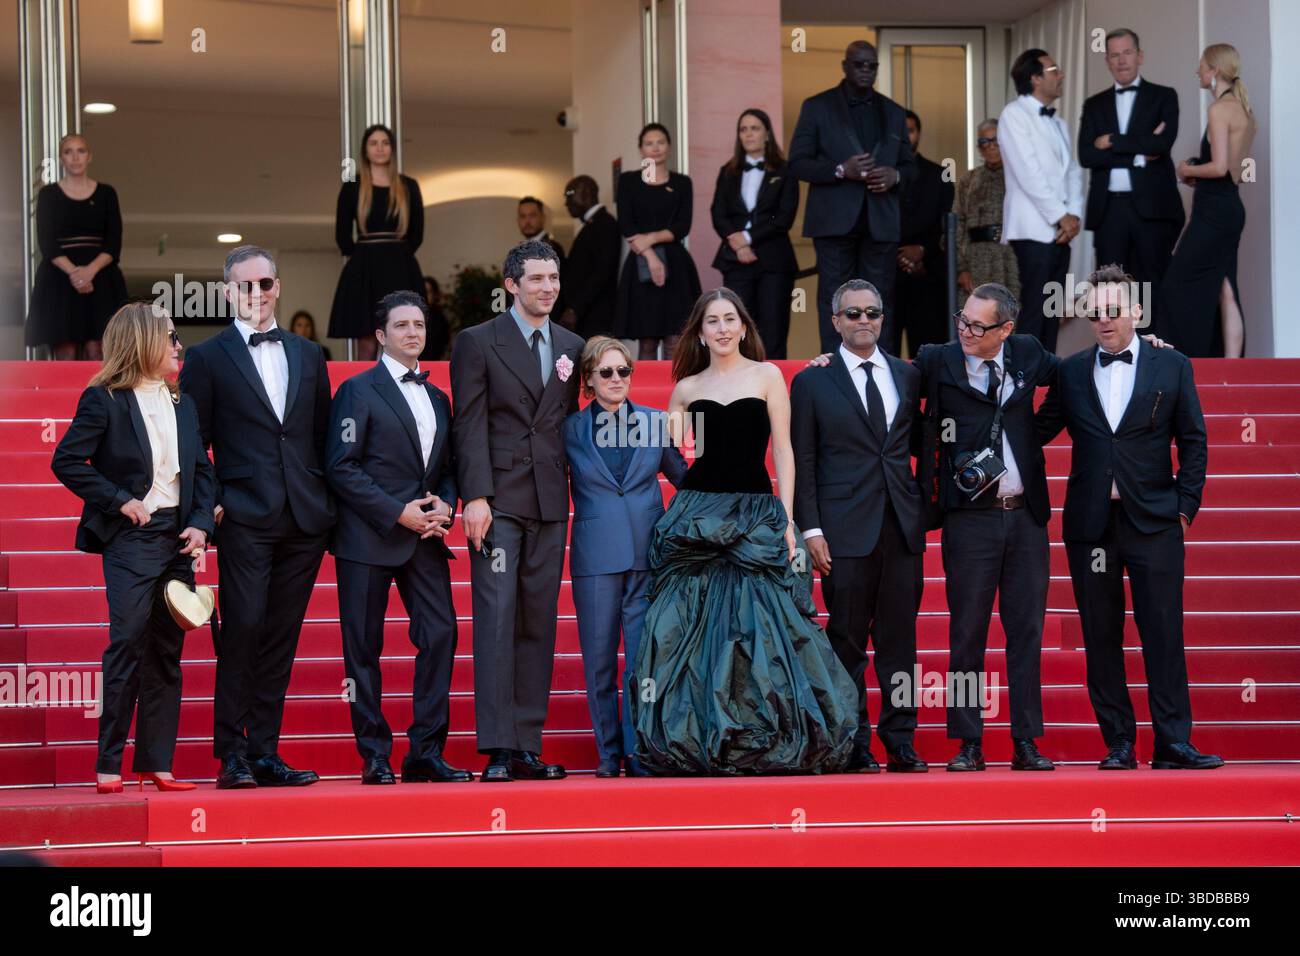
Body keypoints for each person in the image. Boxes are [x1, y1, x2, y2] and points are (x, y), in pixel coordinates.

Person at [629, 288, 859, 775]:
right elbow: (665, 448)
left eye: (729, 318)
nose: (722, 328)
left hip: (755, 512)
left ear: (743, 325)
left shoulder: (768, 375)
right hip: (697, 512)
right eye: (711, 321)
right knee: (690, 631)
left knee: (762, 631)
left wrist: (789, 517)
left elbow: (784, 452)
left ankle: (762, 731)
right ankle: (702, 733)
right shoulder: (686, 387)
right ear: (700, 331)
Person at [1035, 265, 1221, 769]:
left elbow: (1195, 440)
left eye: (1114, 311)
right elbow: (1035, 431)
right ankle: (1119, 741)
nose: (1104, 320)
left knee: (1163, 631)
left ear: (1137, 312)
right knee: (1100, 634)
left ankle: (1173, 742)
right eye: (1096, 312)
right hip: (1092, 528)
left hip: (1155, 522)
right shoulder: (1071, 371)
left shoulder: (1171, 365)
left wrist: (1184, 509)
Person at [179, 244, 335, 789]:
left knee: (281, 635)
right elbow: (193, 443)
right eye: (246, 285)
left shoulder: (310, 354)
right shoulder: (206, 357)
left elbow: (319, 437)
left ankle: (266, 752)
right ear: (228, 292)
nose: (257, 293)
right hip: (244, 514)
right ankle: (233, 754)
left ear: (277, 287)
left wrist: (326, 507)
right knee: (243, 629)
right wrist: (212, 500)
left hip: (304, 518)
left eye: (265, 283)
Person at [51, 302, 214, 793]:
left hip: (178, 538)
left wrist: (202, 526)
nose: (178, 346)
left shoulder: (183, 402)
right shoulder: (103, 398)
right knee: (127, 643)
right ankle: (108, 764)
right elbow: (67, 461)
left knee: (168, 650)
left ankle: (156, 762)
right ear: (143, 342)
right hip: (132, 539)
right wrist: (120, 501)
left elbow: (203, 473)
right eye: (170, 338)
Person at [450, 239, 585, 782]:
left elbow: (575, 419)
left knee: (539, 624)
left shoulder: (573, 344)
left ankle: (528, 744)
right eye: (535, 279)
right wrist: (475, 497)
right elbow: (469, 423)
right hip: (499, 502)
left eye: (553, 278)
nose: (547, 288)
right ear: (511, 285)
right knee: (497, 621)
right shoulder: (478, 341)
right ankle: (499, 748)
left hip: (552, 503)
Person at [325, 291, 473, 785]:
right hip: (367, 539)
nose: (413, 332)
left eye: (419, 324)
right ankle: (374, 754)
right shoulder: (356, 391)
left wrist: (446, 504)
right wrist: (397, 513)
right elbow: (340, 467)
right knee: (362, 649)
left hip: (426, 538)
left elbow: (447, 468)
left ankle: (425, 751)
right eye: (402, 325)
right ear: (381, 336)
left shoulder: (438, 398)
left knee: (441, 635)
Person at [914, 283, 1058, 772]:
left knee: (1027, 632)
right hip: (969, 518)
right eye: (963, 319)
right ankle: (968, 742)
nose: (966, 331)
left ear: (1006, 329)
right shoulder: (937, 361)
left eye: (978, 325)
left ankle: (1026, 741)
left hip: (1025, 517)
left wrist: (1033, 436)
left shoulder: (1028, 353)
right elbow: (893, 388)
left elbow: (1075, 380)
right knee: (967, 633)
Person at [790, 280, 928, 773]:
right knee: (846, 641)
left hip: (901, 529)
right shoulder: (811, 382)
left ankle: (901, 740)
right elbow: (804, 461)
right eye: (852, 314)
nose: (863, 320)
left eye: (872, 312)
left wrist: (924, 509)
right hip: (842, 533)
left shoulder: (909, 376)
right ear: (835, 322)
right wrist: (811, 531)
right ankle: (852, 742)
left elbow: (925, 448)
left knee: (900, 644)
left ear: (883, 317)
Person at [563, 337, 687, 778]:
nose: (618, 380)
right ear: (589, 381)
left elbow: (685, 479)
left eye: (624, 371)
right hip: (595, 558)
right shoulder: (570, 430)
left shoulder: (655, 423)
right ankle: (606, 753)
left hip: (646, 557)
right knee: (598, 661)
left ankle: (638, 753)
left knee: (642, 663)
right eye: (607, 373)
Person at [788, 40, 915, 356]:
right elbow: (797, 163)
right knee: (835, 297)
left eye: (872, 65)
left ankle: (882, 368)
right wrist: (840, 170)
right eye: (859, 64)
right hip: (834, 221)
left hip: (880, 221)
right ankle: (834, 371)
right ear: (845, 66)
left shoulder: (894, 111)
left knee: (879, 298)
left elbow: (911, 168)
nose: (866, 70)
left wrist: (895, 176)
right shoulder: (817, 106)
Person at [1078, 29, 1183, 323]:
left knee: (1153, 284)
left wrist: (1111, 140)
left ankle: (1157, 356)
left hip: (1152, 208)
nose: (1121, 60)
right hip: (1109, 209)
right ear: (1107, 61)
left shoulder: (1164, 96)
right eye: (1114, 54)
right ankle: (1117, 356)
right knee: (1109, 289)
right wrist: (1139, 152)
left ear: (1140, 56)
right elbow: (1087, 156)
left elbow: (1161, 145)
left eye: (1127, 53)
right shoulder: (1093, 104)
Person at [1160, 43, 1256, 358]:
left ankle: (1185, 358)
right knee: (1225, 287)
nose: (1197, 71)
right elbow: (1236, 173)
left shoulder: (1218, 109)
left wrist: (1187, 168)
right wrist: (1199, 176)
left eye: (1201, 65)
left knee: (1176, 283)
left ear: (1214, 71)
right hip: (1229, 207)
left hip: (1214, 212)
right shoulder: (1243, 109)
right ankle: (1231, 367)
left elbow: (1218, 167)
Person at [998, 49, 1084, 353]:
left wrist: (1073, 214)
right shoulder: (1014, 114)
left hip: (1061, 231)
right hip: (1033, 227)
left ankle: (1046, 375)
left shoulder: (1058, 123)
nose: (1060, 75)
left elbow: (1072, 170)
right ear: (1035, 78)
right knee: (1035, 306)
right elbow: (1028, 172)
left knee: (1052, 308)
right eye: (1054, 70)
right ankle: (1025, 379)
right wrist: (1060, 215)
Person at [25, 134, 128, 360]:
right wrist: (75, 274)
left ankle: (97, 397)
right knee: (65, 348)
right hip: (59, 278)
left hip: (101, 277)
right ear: (61, 158)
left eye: (80, 151)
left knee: (97, 347)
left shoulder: (106, 193)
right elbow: (47, 242)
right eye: (68, 152)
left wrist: (89, 272)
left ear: (89, 156)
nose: (75, 157)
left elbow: (113, 241)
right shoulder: (48, 195)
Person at [329, 124, 425, 362]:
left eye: (385, 143)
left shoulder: (408, 186)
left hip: (400, 268)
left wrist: (398, 255)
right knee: (367, 339)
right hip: (366, 268)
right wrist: (360, 259)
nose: (380, 148)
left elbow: (417, 233)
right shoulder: (353, 187)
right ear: (365, 150)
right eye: (374, 143)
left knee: (403, 332)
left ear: (392, 149)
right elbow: (342, 234)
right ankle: (365, 394)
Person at [709, 108, 799, 358]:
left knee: (774, 329)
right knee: (737, 329)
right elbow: (718, 214)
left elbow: (783, 218)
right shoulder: (728, 171)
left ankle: (774, 392)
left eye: (755, 128)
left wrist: (747, 239)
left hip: (774, 260)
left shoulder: (785, 170)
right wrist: (738, 245)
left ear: (767, 133)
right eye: (743, 129)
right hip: (735, 261)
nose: (748, 134)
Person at [614, 123, 703, 360]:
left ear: (669, 147)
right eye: (649, 143)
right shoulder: (628, 181)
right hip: (641, 264)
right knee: (647, 341)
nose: (656, 148)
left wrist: (650, 238)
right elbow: (626, 224)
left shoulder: (682, 182)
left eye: (661, 142)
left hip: (676, 265)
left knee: (676, 340)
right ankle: (646, 396)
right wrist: (650, 255)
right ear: (641, 149)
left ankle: (677, 396)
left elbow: (682, 226)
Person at [895, 110, 955, 354]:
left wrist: (922, 251)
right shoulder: (880, 176)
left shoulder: (939, 175)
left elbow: (948, 226)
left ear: (918, 133)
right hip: (889, 275)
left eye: (910, 130)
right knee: (885, 350)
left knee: (929, 351)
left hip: (929, 275)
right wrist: (901, 256)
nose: (905, 136)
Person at [955, 120, 1020, 302]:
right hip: (975, 259)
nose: (991, 146)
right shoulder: (968, 180)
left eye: (996, 140)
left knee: (1010, 313)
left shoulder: (1020, 175)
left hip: (1011, 257)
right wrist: (961, 268)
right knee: (977, 317)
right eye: (985, 142)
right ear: (978, 147)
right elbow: (958, 225)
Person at [561, 176, 621, 339]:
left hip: (596, 315)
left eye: (569, 194)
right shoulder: (591, 226)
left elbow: (602, 271)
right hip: (586, 315)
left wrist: (575, 308)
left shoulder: (604, 224)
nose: (566, 202)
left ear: (586, 192)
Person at [517, 197, 568, 324]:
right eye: (523, 216)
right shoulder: (520, 248)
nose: (527, 221)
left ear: (543, 218)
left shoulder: (552, 247)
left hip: (546, 319)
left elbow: (557, 288)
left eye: (532, 216)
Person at [419, 276, 451, 361]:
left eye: (428, 292)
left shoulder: (439, 318)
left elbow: (444, 343)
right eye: (423, 292)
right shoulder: (410, 316)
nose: (425, 296)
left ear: (435, 294)